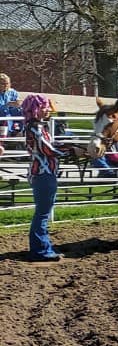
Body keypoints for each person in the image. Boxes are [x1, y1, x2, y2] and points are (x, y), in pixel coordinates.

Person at [22, 93, 61, 262]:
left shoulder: (36, 126)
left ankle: (42, 248)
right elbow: (48, 150)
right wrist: (73, 151)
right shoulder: (35, 128)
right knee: (43, 213)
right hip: (43, 174)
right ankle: (41, 251)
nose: (48, 109)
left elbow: (50, 147)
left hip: (43, 174)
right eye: (44, 106)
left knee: (43, 212)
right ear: (36, 109)